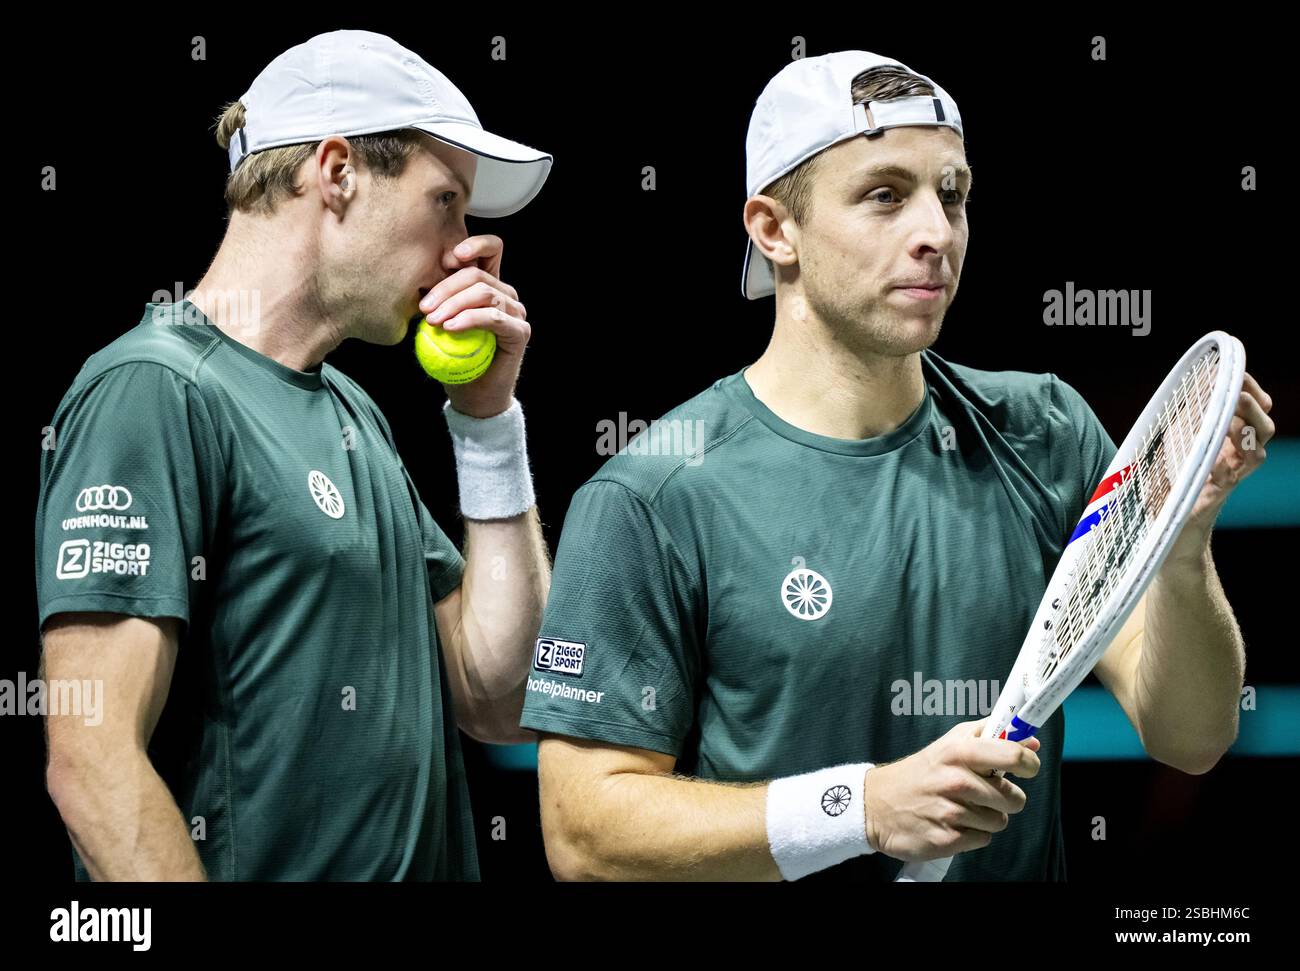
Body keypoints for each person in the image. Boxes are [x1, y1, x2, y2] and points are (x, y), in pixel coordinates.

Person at [520, 50, 1273, 881]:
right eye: (885, 196)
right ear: (776, 229)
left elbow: (1192, 737)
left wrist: (1186, 538)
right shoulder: (652, 496)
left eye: (953, 195)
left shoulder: (1046, 430)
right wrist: (863, 809)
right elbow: (583, 831)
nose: (936, 233)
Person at [36, 29, 552, 881]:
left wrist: (490, 420)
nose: (467, 247)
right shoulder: (153, 390)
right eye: (446, 202)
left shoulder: (355, 412)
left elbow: (502, 699)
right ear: (338, 171)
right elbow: (92, 763)